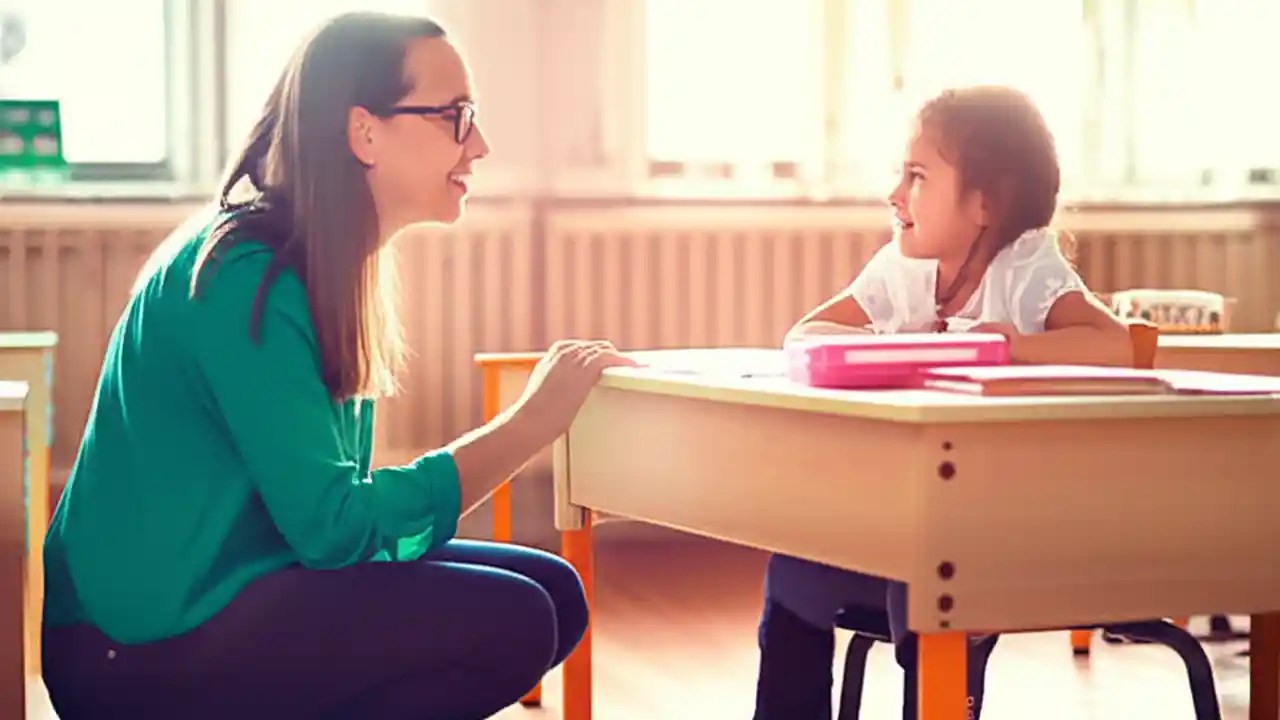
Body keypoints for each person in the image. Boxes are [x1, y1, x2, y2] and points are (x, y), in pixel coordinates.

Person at [40, 12, 633, 719]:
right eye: (456, 116)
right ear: (365, 132)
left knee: (556, 595)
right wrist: (527, 426)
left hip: (240, 582)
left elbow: (333, 524)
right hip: (134, 647)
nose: (480, 144)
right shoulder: (247, 276)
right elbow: (335, 530)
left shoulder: (324, 263)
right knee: (521, 617)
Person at [755, 85, 1132, 720]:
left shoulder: (1024, 268)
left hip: (1004, 533)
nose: (895, 195)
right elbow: (806, 335)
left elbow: (1114, 346)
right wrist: (897, 349)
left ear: (985, 203)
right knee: (793, 572)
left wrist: (1009, 346)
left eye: (917, 176)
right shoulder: (899, 269)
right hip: (912, 522)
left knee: (929, 575)